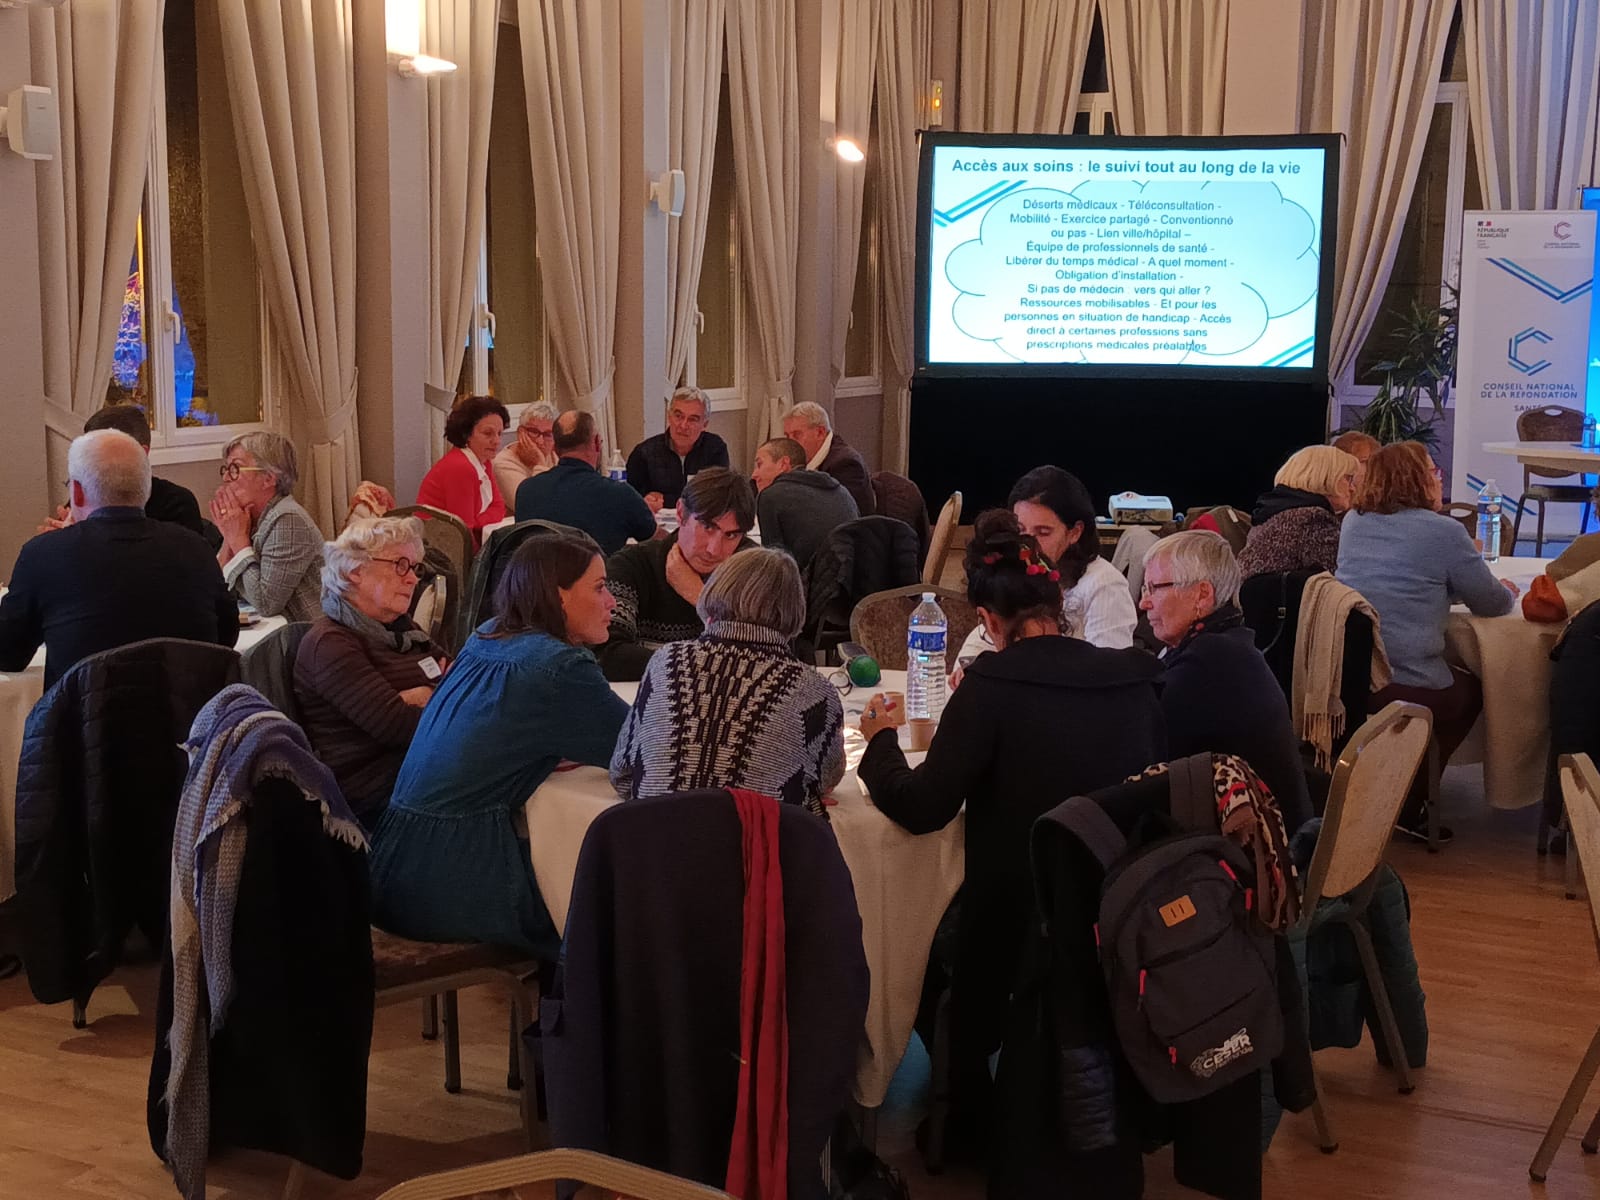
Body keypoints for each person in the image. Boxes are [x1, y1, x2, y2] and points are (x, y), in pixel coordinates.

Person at [856, 509, 1166, 1150]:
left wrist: (881, 742)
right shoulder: (1135, 675)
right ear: (1059, 606)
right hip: (1118, 901)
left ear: (987, 621)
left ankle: (964, 1114)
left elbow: (922, 807)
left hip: (1017, 915)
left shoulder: (992, 685)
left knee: (926, 937)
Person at [369, 530, 629, 959]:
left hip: (396, 861)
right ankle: (576, 998)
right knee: (610, 907)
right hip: (454, 877)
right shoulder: (558, 667)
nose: (612, 603)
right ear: (558, 596)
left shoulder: (488, 636)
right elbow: (643, 754)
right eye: (599, 588)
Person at [1336, 440, 1517, 839]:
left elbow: (1401, 579)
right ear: (1416, 479)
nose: (1440, 478)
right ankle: (1412, 797)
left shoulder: (1354, 523)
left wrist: (1442, 588)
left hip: (1353, 673)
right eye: (1433, 471)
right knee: (1472, 690)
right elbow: (1492, 603)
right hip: (1406, 676)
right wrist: (1505, 590)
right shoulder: (1444, 531)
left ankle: (1390, 779)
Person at [611, 547, 843, 815]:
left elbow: (622, 772)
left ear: (716, 590)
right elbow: (826, 780)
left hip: (654, 836)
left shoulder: (666, 661)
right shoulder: (814, 690)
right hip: (759, 840)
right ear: (795, 610)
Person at [0, 430, 238, 687]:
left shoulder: (43, 555)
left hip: (84, 712)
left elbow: (8, 654)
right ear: (146, 490)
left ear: (77, 492)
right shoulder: (196, 549)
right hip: (191, 711)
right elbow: (225, 639)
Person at [1140, 530, 1313, 834]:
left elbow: (1144, 746)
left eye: (1154, 588)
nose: (1144, 602)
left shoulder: (1209, 662)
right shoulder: (1229, 645)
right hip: (1269, 832)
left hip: (1264, 850)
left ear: (1202, 595)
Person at [293, 517, 445, 830]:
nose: (413, 579)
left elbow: (464, 684)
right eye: (400, 565)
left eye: (414, 568)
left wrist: (423, 697)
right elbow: (400, 727)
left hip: (424, 772)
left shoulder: (403, 629)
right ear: (355, 570)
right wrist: (434, 693)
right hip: (379, 802)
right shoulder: (329, 644)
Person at [955, 465, 1138, 669]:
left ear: (1074, 532)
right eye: (1021, 530)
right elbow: (990, 632)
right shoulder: (1018, 572)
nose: (1029, 543)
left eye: (1043, 532)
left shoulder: (1105, 585)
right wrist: (972, 666)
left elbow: (1110, 671)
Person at [598, 467, 755, 681]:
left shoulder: (755, 571)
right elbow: (606, 654)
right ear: (681, 513)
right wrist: (710, 665)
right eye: (707, 527)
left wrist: (701, 599)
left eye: (731, 535)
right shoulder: (632, 565)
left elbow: (769, 657)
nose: (714, 549)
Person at [211, 432, 325, 622]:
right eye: (226, 469)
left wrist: (238, 543)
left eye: (235, 468)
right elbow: (213, 589)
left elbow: (266, 603)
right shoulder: (247, 518)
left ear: (268, 478)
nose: (226, 477)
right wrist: (229, 538)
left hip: (307, 634)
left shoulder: (287, 518)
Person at [514, 409, 657, 554]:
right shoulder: (620, 494)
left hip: (540, 569)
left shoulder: (526, 491)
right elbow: (654, 540)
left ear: (555, 449)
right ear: (597, 443)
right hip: (600, 568)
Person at [1237, 444, 1360, 579]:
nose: (1352, 488)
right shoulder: (1313, 519)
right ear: (1324, 477)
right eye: (1348, 478)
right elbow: (1341, 579)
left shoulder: (1273, 514)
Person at [750, 436, 859, 568]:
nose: (754, 475)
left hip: (809, 578)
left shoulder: (771, 496)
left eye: (759, 464)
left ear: (783, 464)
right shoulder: (841, 490)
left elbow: (774, 565)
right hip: (855, 573)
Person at [416, 394, 509, 546]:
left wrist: (477, 522)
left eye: (499, 433)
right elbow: (463, 533)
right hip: (439, 548)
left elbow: (499, 507)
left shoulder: (484, 461)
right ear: (467, 434)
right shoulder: (460, 467)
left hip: (458, 542)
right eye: (488, 433)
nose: (497, 441)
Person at [625, 386, 731, 512]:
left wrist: (666, 500)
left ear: (705, 424)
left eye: (692, 419)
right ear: (669, 417)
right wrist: (646, 502)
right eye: (678, 416)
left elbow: (717, 498)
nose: (683, 425)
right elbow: (630, 500)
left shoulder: (715, 449)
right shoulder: (644, 453)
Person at [782, 400, 877, 516]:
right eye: (787, 436)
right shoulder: (803, 458)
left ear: (820, 433)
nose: (790, 442)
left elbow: (842, 514)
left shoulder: (846, 464)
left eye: (797, 435)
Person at [492, 401, 558, 509]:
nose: (540, 441)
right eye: (534, 432)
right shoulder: (502, 464)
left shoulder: (555, 455)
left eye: (548, 434)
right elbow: (531, 506)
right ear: (520, 432)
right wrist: (539, 463)